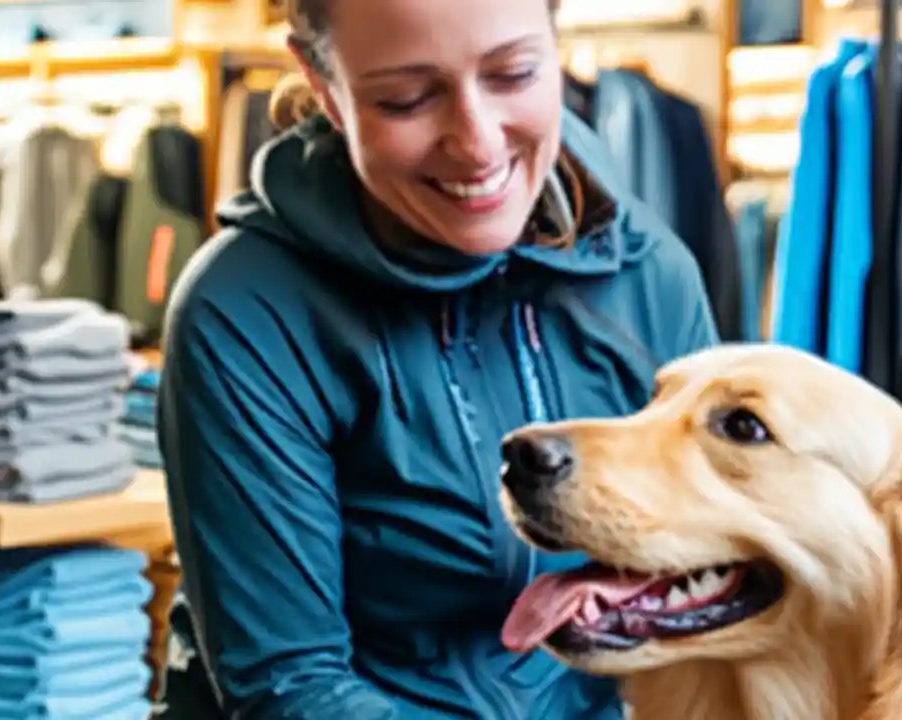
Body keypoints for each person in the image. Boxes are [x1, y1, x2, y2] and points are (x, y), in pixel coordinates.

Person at [155, 0, 719, 717]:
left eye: (513, 73)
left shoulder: (649, 272)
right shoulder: (245, 311)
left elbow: (702, 566)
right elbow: (292, 688)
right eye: (407, 99)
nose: (478, 145)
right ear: (324, 87)